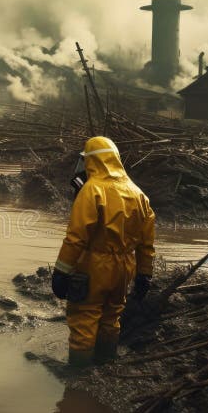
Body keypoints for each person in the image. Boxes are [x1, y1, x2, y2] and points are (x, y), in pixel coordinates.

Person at [51, 136, 155, 367]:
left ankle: (78, 378)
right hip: (124, 268)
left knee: (84, 320)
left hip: (94, 268)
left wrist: (61, 272)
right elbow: (147, 244)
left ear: (91, 161)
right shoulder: (139, 194)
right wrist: (144, 274)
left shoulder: (92, 190)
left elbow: (76, 238)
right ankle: (105, 365)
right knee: (111, 318)